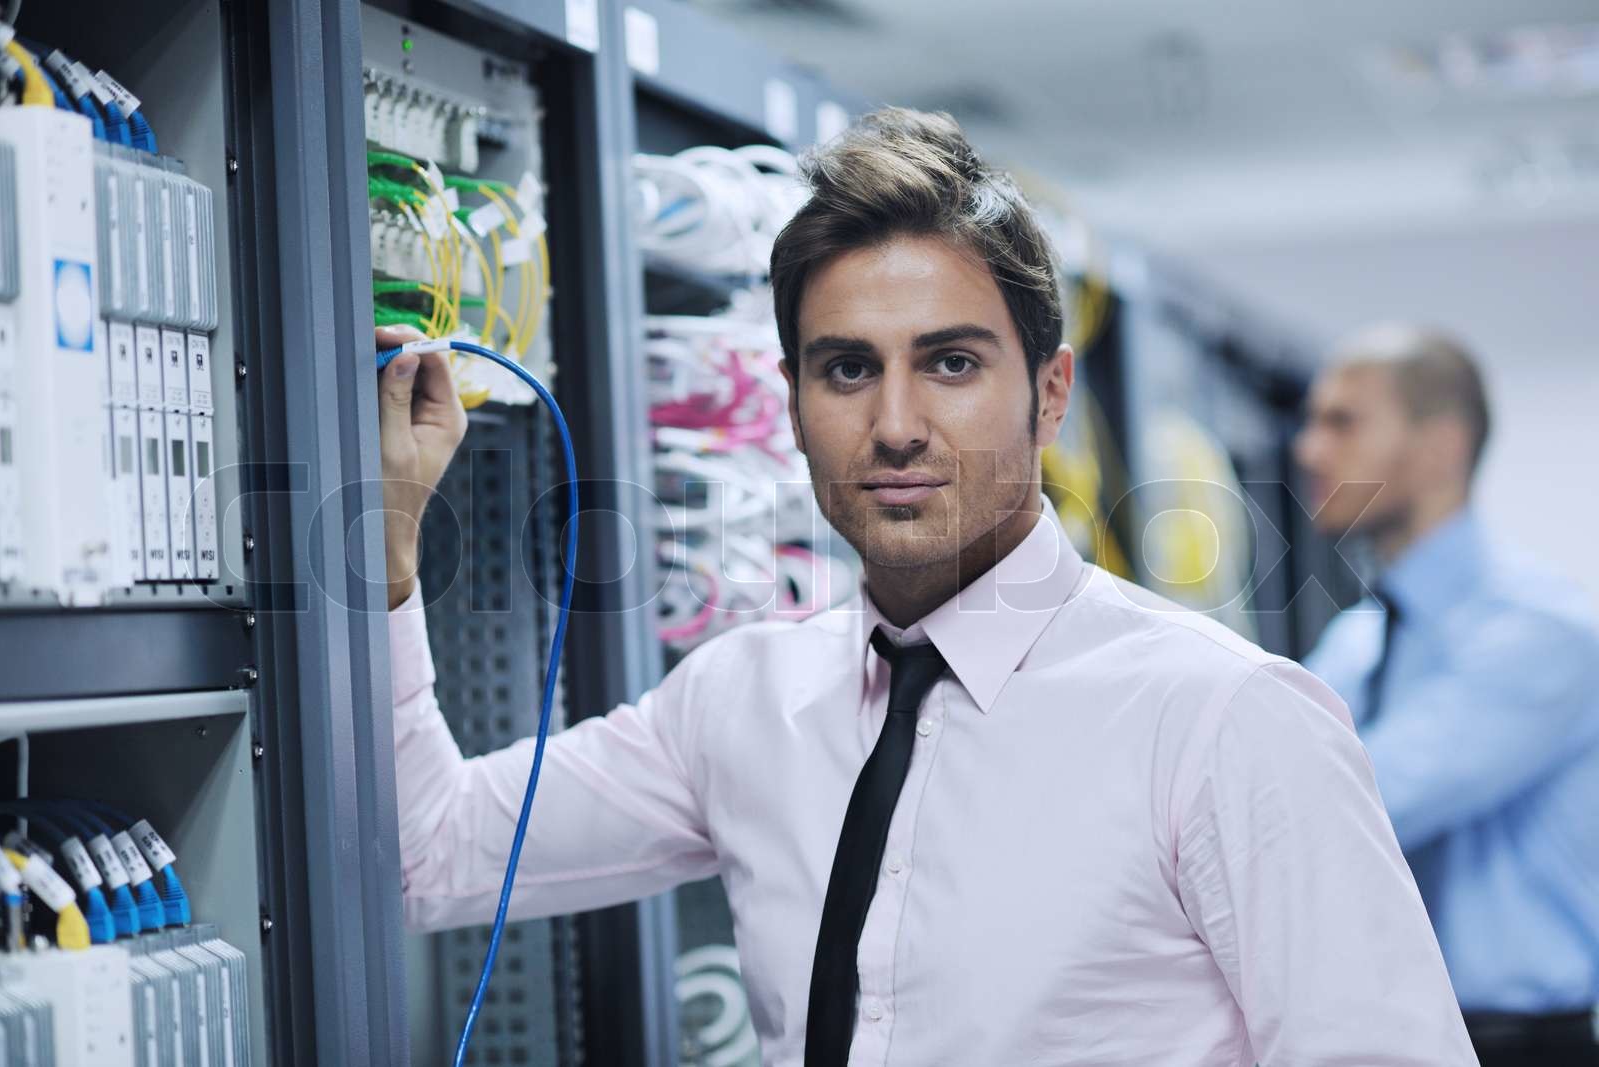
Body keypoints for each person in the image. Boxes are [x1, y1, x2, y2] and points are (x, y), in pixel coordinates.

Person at [379, 109, 1475, 1065]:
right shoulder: (740, 702)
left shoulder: (1221, 716)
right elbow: (427, 855)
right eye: (846, 368)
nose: (895, 423)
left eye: (950, 363)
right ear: (793, 402)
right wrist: (390, 546)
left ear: (1048, 396)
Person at [1297, 324, 1599, 1066]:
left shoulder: (1542, 633)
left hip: (1520, 1044)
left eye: (1344, 421)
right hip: (1387, 1040)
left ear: (1441, 446)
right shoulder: (1357, 640)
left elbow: (1349, 803)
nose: (1308, 449)